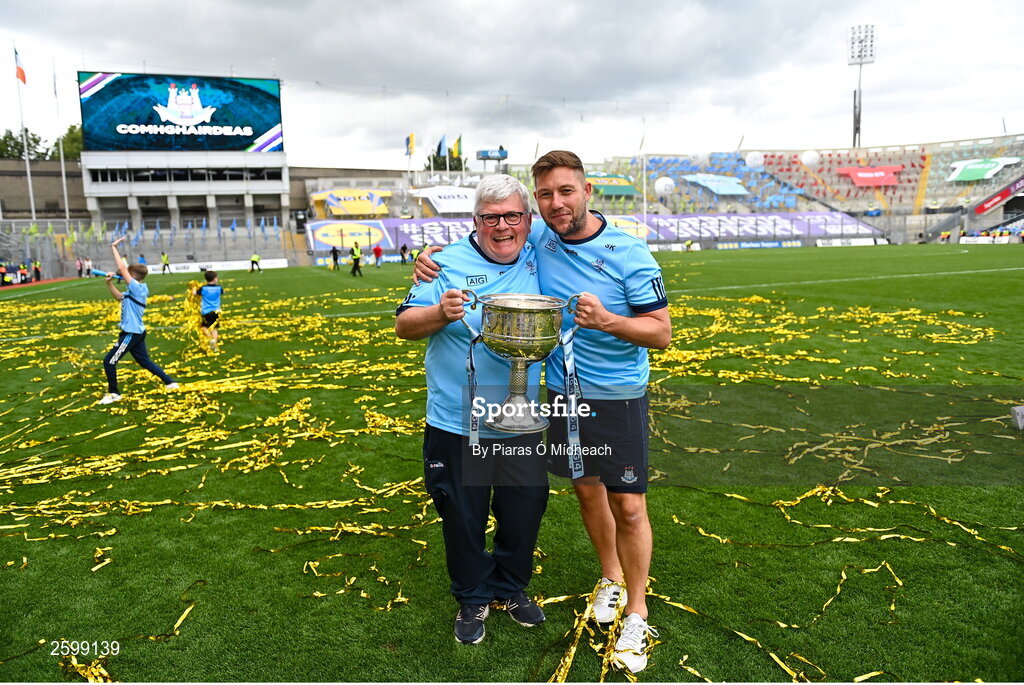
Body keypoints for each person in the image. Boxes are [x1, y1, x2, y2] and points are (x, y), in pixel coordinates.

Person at [416, 151, 671, 673]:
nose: (556, 203)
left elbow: (662, 333)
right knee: (584, 492)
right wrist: (424, 256)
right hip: (553, 396)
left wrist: (606, 321)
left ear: (586, 190)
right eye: (547, 195)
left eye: (566, 191)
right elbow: (485, 237)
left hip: (615, 396)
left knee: (626, 503)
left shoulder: (629, 250)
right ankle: (608, 580)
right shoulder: (535, 239)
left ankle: (638, 610)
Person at [395, 174, 548, 645]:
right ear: (475, 220)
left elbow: (579, 224)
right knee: (463, 516)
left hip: (522, 421)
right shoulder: (441, 264)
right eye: (490, 217)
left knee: (524, 512)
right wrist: (439, 312)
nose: (503, 226)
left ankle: (510, 586)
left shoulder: (542, 249)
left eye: (512, 216)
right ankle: (472, 595)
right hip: (457, 420)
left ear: (528, 219)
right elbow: (404, 325)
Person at [98, 236, 178, 405]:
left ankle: (114, 393)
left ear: (133, 275)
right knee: (144, 361)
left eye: (128, 272)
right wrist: (109, 284)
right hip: (136, 332)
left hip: (131, 332)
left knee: (109, 361)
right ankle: (170, 382)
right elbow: (119, 297)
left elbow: (121, 267)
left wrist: (113, 247)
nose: (124, 272)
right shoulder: (135, 290)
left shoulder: (136, 287)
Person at [192, 270, 223, 352]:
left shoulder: (204, 288)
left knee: (204, 327)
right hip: (216, 311)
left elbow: (194, 294)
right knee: (215, 329)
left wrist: (193, 288)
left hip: (206, 312)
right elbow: (222, 292)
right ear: (214, 279)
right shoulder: (219, 288)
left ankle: (210, 338)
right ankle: (215, 345)